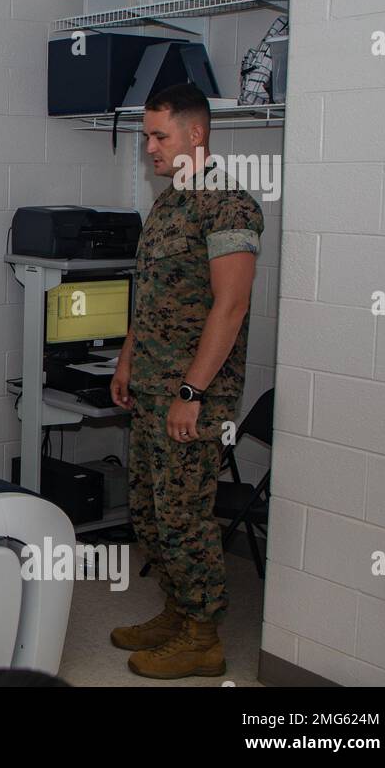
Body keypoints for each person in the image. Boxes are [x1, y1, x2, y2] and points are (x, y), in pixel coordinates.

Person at [108, 83, 263, 680]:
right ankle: (177, 611)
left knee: (183, 515)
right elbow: (148, 299)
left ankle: (203, 636)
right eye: (147, 135)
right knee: (148, 511)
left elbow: (231, 307)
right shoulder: (170, 203)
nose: (148, 147)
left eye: (158, 135)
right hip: (150, 385)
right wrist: (126, 361)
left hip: (192, 397)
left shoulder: (229, 206)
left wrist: (191, 393)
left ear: (196, 135)